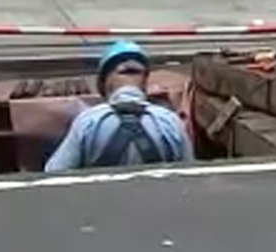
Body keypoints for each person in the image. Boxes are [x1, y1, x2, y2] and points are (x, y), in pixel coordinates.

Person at [44, 41, 193, 171]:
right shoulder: (170, 122)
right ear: (145, 83)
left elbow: (54, 173)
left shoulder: (88, 123)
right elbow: (190, 177)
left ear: (104, 84)